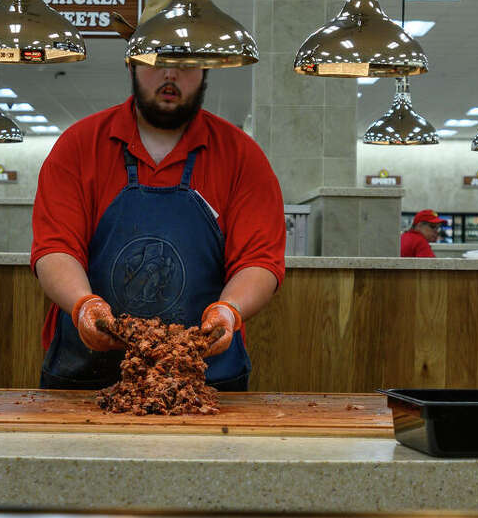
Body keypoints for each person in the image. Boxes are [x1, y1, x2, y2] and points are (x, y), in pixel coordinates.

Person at [32, 60, 287, 392]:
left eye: (186, 65)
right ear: (132, 65)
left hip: (204, 378)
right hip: (86, 377)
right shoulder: (79, 145)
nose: (171, 75)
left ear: (206, 70)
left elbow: (259, 261)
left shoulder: (241, 155)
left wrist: (230, 309)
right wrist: (84, 304)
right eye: (158, 63)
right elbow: (55, 249)